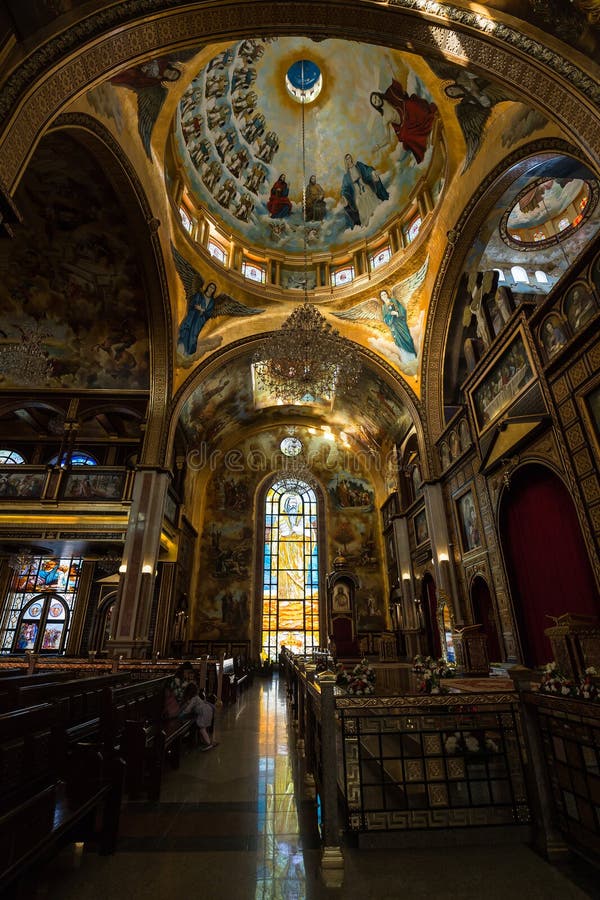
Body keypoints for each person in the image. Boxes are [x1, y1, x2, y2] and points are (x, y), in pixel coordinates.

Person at [370, 80, 438, 163]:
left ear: (378, 95)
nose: (377, 100)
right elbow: (387, 139)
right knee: (407, 136)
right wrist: (378, 146)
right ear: (376, 106)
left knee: (410, 104)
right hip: (404, 125)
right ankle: (427, 142)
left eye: (376, 98)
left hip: (406, 111)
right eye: (375, 102)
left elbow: (395, 86)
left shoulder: (389, 95)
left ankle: (430, 119)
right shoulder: (385, 118)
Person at [341, 153, 388, 229]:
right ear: (345, 161)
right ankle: (367, 219)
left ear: (351, 158)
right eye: (347, 159)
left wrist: (371, 172)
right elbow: (344, 188)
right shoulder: (346, 176)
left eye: (349, 158)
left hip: (363, 185)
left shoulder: (358, 166)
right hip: (356, 191)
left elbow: (367, 169)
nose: (349, 160)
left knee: (368, 193)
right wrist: (343, 196)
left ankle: (375, 212)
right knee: (358, 202)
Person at [177, 281, 217, 355]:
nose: (211, 289)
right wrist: (196, 307)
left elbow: (209, 313)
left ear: (214, 291)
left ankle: (188, 352)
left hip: (200, 321)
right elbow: (192, 304)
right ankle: (182, 348)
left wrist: (202, 310)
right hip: (192, 317)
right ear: (207, 287)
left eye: (213, 288)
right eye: (210, 287)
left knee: (194, 335)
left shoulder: (212, 302)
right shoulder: (199, 295)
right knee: (187, 331)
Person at [179, 681, 217, 750]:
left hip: (204, 713)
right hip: (207, 710)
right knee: (203, 728)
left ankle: (208, 743)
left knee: (202, 728)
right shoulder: (196, 697)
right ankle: (206, 741)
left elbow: (188, 708)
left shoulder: (193, 699)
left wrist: (182, 714)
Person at [380, 289, 417, 357]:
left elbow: (402, 310)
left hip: (400, 323)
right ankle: (407, 358)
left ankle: (412, 353)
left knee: (407, 338)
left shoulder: (394, 301)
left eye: (384, 294)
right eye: (382, 295)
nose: (384, 296)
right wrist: (390, 314)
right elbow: (385, 319)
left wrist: (397, 313)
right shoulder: (383, 307)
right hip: (394, 326)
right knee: (399, 341)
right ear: (381, 298)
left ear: (387, 295)